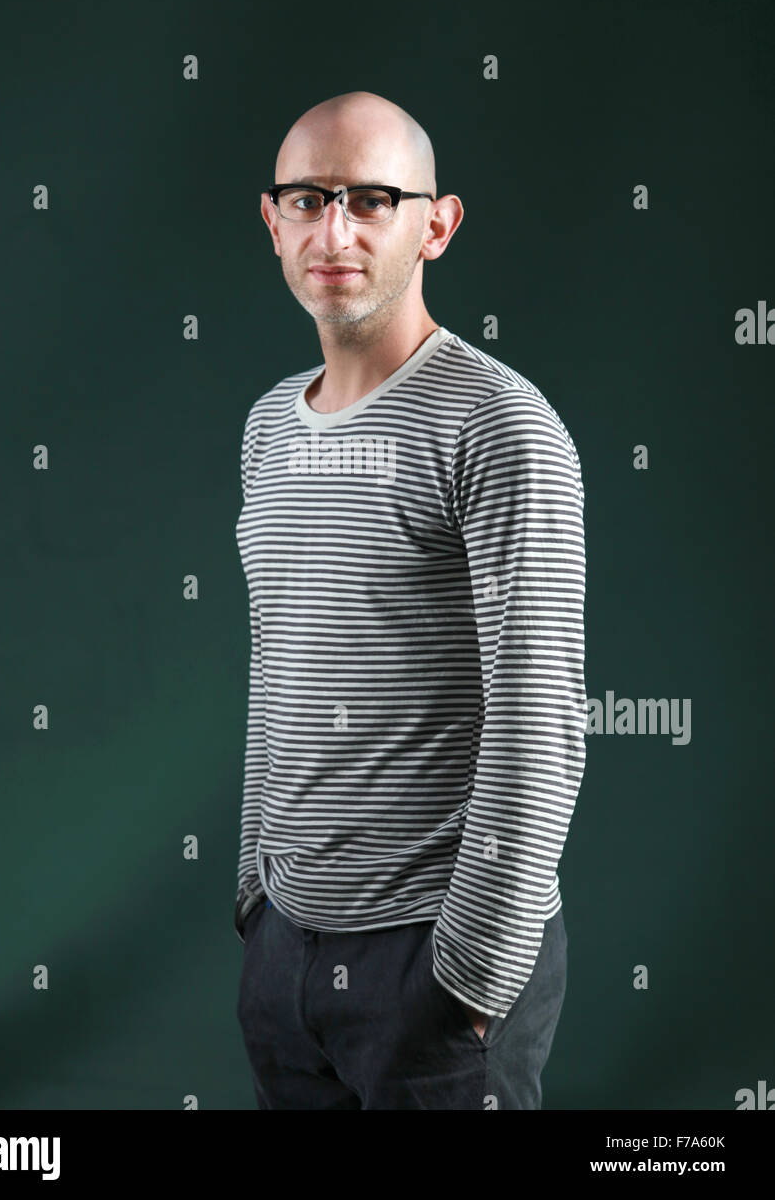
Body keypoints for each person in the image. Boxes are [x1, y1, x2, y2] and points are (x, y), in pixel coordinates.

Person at [233, 90, 587, 1109]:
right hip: (284, 952)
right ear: (273, 221)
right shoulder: (267, 427)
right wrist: (256, 897)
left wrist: (469, 966)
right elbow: (274, 662)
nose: (332, 231)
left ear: (435, 224)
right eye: (306, 200)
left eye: (370, 200)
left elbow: (542, 717)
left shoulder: (499, 425)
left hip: (433, 960)